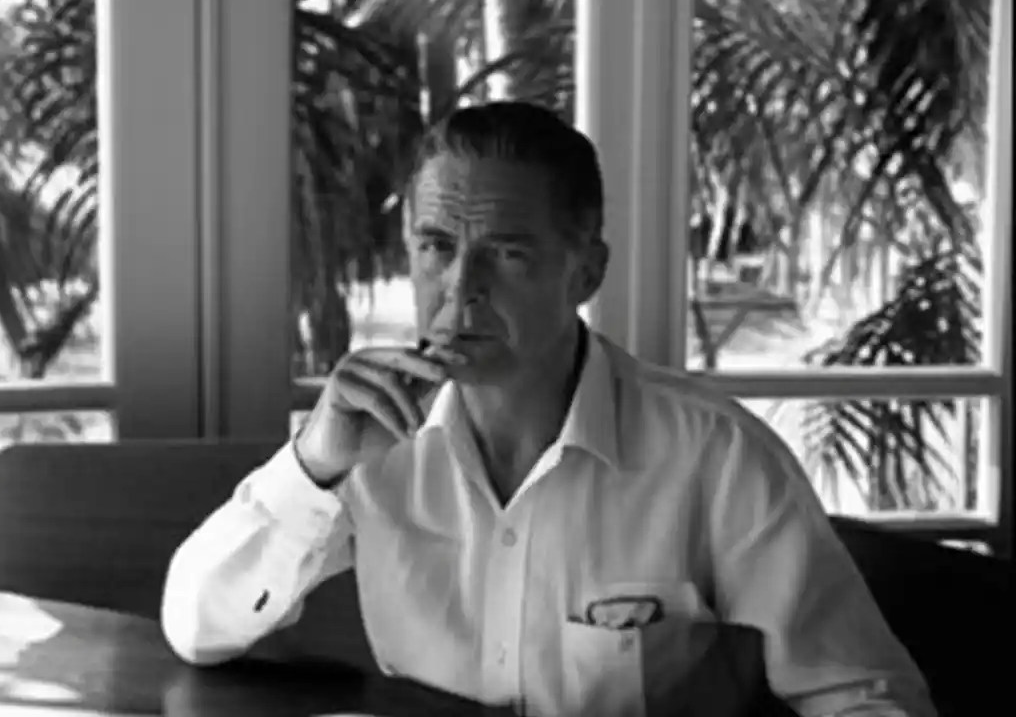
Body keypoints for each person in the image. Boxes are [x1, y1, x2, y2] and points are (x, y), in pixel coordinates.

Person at [160, 102, 935, 716]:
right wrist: (314, 467)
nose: (460, 289)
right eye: (435, 247)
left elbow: (867, 697)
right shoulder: (372, 440)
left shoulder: (715, 456)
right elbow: (197, 627)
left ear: (586, 270)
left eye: (507, 252)